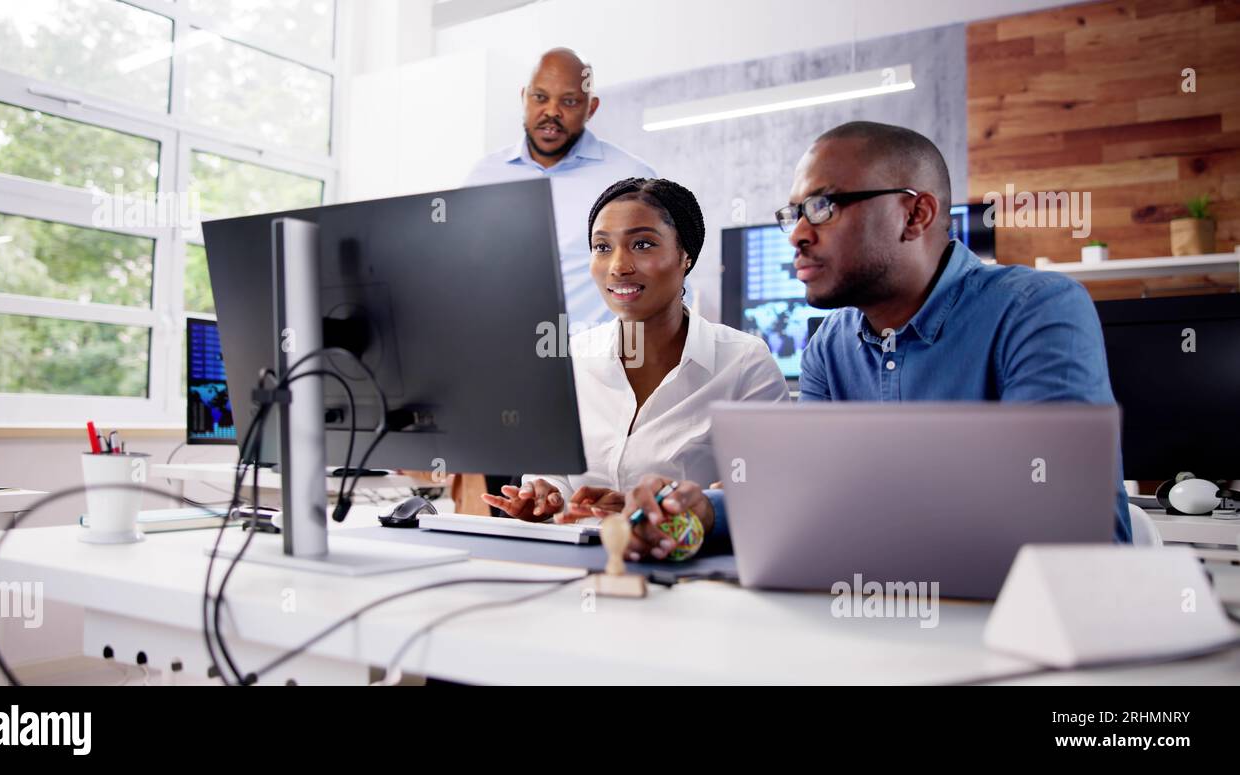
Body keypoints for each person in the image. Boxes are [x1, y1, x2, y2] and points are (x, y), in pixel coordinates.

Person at [617, 120, 1131, 562]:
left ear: (915, 215)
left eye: (823, 206)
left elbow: (1063, 520)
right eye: (793, 213)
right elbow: (809, 494)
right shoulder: (830, 347)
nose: (797, 234)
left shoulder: (1034, 308)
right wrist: (702, 509)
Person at [481, 178, 788, 523]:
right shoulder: (571, 360)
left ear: (685, 256)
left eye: (642, 244)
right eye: (602, 247)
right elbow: (555, 477)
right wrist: (543, 496)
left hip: (684, 557)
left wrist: (673, 513)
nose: (618, 266)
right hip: (574, 553)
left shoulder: (744, 363)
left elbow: (769, 496)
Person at [463, 48, 656, 327]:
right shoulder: (484, 176)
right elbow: (463, 271)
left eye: (569, 101)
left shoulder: (631, 179)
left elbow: (663, 283)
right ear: (524, 97)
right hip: (497, 342)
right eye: (540, 97)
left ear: (591, 108)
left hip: (595, 350)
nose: (552, 111)